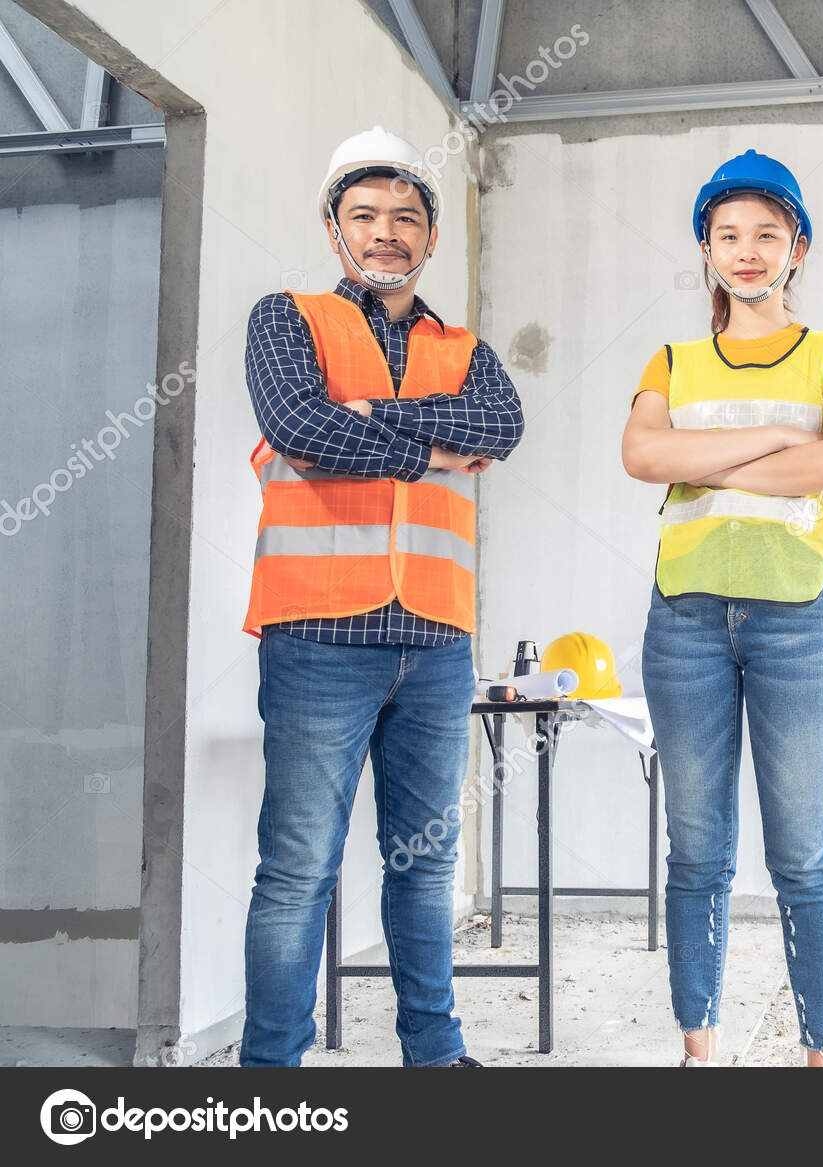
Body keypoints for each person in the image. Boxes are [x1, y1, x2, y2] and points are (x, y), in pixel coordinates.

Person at [239, 126, 524, 1067]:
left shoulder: (466, 348)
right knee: (299, 870)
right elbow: (298, 425)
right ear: (335, 229)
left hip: (436, 640)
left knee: (426, 861)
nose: (386, 232)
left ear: (431, 236)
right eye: (364, 215)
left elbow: (501, 425)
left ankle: (433, 1058)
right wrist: (432, 449)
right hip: (317, 632)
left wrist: (375, 416)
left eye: (406, 216)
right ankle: (270, 1074)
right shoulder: (287, 320)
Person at [621, 150, 823, 1066]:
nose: (747, 250)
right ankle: (700, 1050)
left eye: (768, 234)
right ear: (706, 248)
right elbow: (641, 456)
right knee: (696, 851)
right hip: (684, 621)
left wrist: (704, 457)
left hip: (796, 619)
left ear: (797, 247)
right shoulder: (673, 359)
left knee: (804, 854)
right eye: (728, 234)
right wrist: (777, 438)